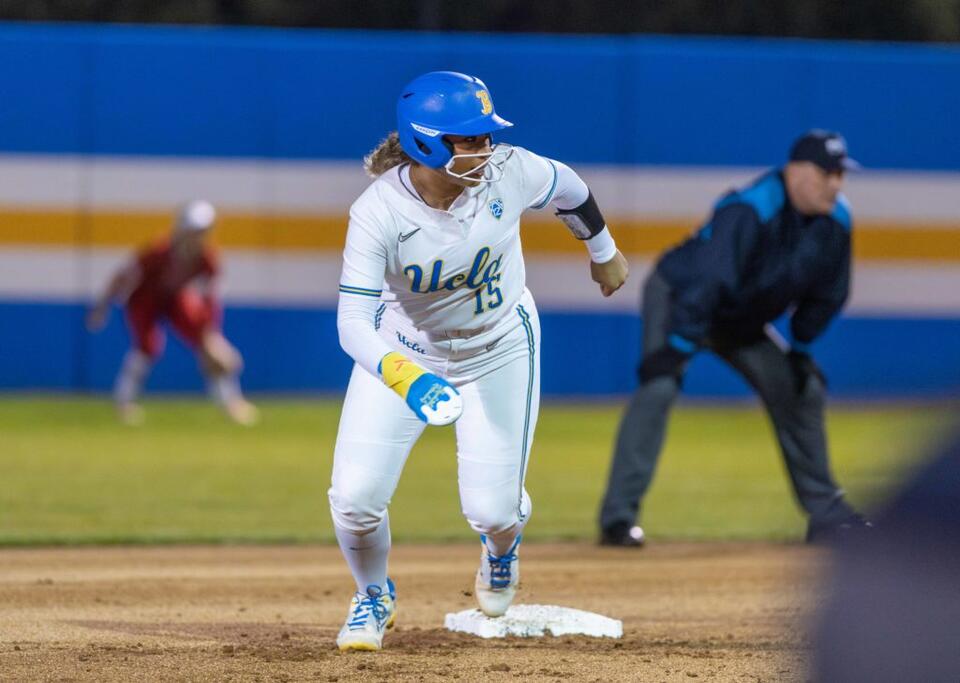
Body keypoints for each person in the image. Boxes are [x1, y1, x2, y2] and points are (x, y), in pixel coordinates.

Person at [329, 70, 629, 651]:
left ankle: (501, 549)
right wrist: (406, 379)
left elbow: (568, 186)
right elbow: (351, 324)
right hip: (403, 354)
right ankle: (372, 595)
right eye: (468, 140)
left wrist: (603, 250)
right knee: (355, 499)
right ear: (424, 143)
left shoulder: (509, 171)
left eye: (486, 136)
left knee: (493, 510)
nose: (484, 149)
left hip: (499, 348)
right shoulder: (378, 212)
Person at [598, 130, 870, 548]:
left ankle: (827, 513)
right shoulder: (751, 208)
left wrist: (800, 350)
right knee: (659, 387)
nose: (837, 183)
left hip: (739, 321)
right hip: (680, 299)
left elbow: (829, 294)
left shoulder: (838, 220)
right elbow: (708, 282)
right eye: (828, 173)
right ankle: (618, 520)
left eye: (841, 174)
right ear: (797, 172)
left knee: (804, 390)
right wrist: (678, 349)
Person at [86, 200, 258, 426]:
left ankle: (230, 402)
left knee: (207, 344)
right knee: (148, 346)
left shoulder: (208, 259)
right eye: (195, 231)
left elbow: (211, 300)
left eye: (204, 231)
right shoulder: (159, 252)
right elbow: (122, 276)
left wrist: (210, 336)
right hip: (144, 299)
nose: (199, 237)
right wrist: (102, 306)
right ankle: (124, 401)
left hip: (175, 299)